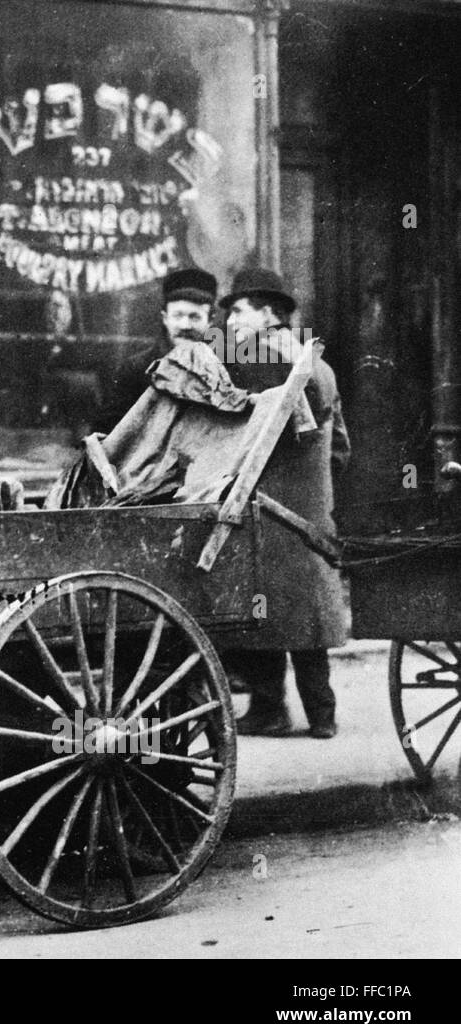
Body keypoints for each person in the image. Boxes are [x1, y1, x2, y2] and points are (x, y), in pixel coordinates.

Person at [216, 267, 350, 739]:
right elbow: (339, 447)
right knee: (306, 618)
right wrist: (318, 490)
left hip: (271, 505)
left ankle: (271, 710)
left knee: (265, 613)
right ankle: (322, 715)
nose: (229, 321)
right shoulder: (312, 361)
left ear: (268, 313)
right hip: (306, 509)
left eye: (237, 311)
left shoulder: (263, 359)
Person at [93, 266, 218, 434]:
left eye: (195, 317)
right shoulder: (137, 369)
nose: (185, 325)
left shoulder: (223, 369)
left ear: (210, 321)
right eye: (178, 316)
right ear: (165, 318)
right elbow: (108, 431)